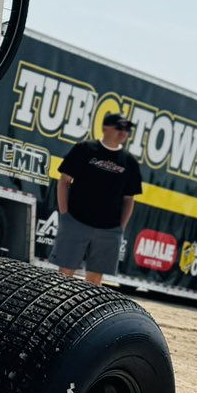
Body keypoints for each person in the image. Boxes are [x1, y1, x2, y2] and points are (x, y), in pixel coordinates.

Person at [53, 112, 142, 284]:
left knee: (94, 279)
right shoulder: (84, 149)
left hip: (108, 229)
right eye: (120, 127)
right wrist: (65, 214)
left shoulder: (129, 162)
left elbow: (129, 199)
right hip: (76, 222)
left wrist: (119, 227)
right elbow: (64, 181)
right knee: (64, 273)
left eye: (128, 129)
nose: (124, 132)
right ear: (105, 128)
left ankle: (86, 311)